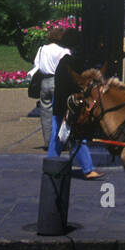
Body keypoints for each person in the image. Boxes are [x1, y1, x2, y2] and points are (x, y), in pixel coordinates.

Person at [46, 29, 101, 179]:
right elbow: (75, 85)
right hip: (69, 106)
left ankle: (51, 163)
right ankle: (87, 169)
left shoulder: (64, 62)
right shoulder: (71, 64)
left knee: (58, 135)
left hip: (60, 103)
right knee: (75, 136)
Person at [30, 27, 70, 150]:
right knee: (61, 112)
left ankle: (48, 142)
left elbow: (37, 64)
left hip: (44, 82)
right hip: (58, 81)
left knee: (46, 113)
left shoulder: (42, 49)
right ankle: (61, 140)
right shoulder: (63, 51)